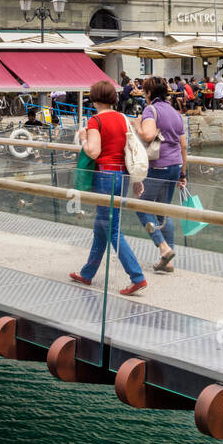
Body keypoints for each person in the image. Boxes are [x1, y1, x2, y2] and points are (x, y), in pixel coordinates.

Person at [70, 79, 147, 296]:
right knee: (101, 226)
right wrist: (136, 179)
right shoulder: (123, 118)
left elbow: (93, 152)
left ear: (94, 99)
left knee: (111, 227)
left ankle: (137, 276)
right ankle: (87, 273)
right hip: (121, 175)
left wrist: (83, 139)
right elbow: (128, 151)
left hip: (104, 175)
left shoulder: (95, 121)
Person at [135, 77, 187, 273]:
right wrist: (183, 173)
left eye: (144, 92)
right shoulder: (175, 112)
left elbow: (147, 136)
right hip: (175, 165)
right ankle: (169, 261)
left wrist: (138, 124)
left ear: (149, 94)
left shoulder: (151, 110)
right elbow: (183, 145)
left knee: (141, 207)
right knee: (162, 212)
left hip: (158, 165)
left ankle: (163, 248)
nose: (143, 94)